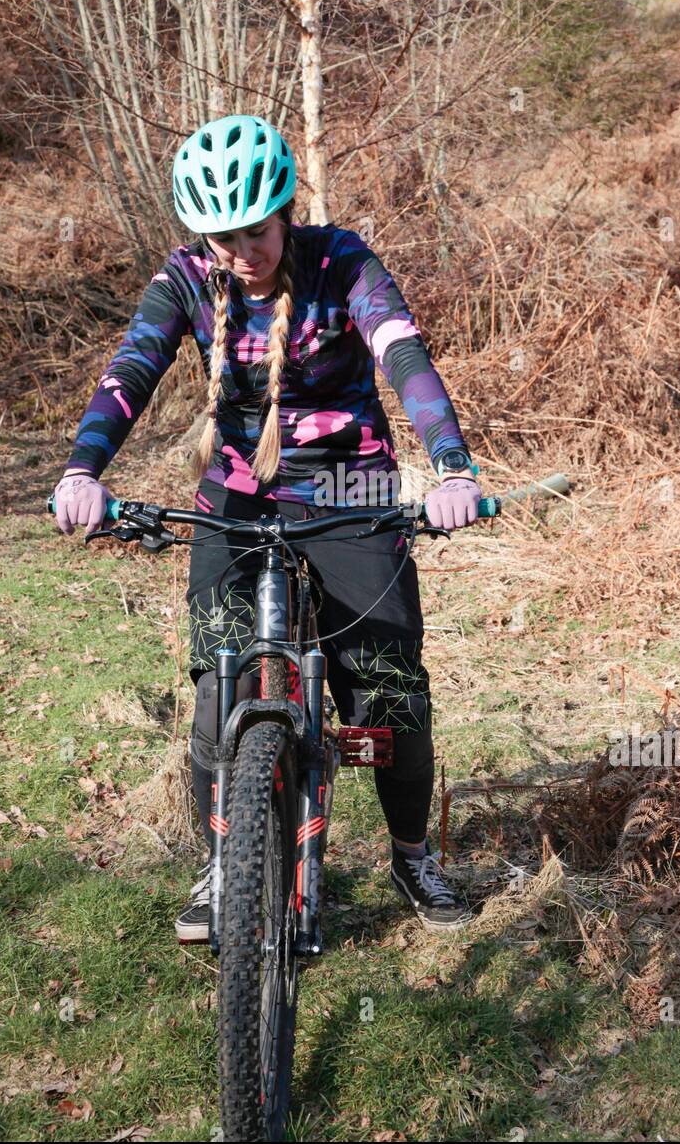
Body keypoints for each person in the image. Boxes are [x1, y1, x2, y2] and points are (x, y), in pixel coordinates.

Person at [53, 113, 483, 940]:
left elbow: (404, 355)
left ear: (286, 210)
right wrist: (84, 469)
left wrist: (452, 465)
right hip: (237, 499)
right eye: (221, 237)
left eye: (254, 231)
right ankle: (225, 862)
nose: (240, 251)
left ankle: (412, 853)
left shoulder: (343, 263)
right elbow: (131, 370)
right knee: (217, 692)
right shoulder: (186, 278)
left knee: (388, 695)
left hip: (353, 489)